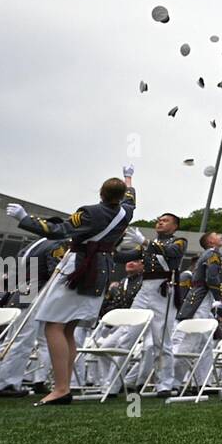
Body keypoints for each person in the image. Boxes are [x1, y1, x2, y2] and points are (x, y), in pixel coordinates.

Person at [31, 169, 136, 406]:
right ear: (121, 196)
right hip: (99, 271)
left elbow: (59, 230)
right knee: (67, 329)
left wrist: (23, 218)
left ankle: (60, 388)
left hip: (80, 268)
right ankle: (63, 386)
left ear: (101, 192)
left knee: (53, 326)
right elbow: (131, 199)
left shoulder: (90, 212)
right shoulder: (126, 212)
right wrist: (129, 179)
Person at [0, 210, 73, 397]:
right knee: (23, 341)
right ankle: (7, 384)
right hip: (36, 296)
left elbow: (12, 276)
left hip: (18, 294)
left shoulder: (30, 246)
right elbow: (55, 274)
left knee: (15, 340)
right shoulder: (56, 244)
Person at [113, 210, 187, 394]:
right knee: (127, 335)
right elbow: (120, 257)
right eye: (159, 220)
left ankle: (164, 384)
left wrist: (145, 242)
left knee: (161, 341)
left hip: (164, 289)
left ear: (175, 226)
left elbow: (171, 252)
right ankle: (113, 383)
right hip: (144, 289)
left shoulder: (179, 241)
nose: (160, 223)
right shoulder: (146, 246)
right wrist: (116, 238)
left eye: (165, 221)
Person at [172, 231, 222, 394]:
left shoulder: (209, 253)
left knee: (205, 344)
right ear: (211, 242)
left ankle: (204, 383)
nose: (221, 237)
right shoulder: (213, 253)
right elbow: (211, 277)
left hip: (201, 299)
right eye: (218, 235)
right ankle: (174, 381)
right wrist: (219, 295)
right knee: (192, 341)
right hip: (200, 301)